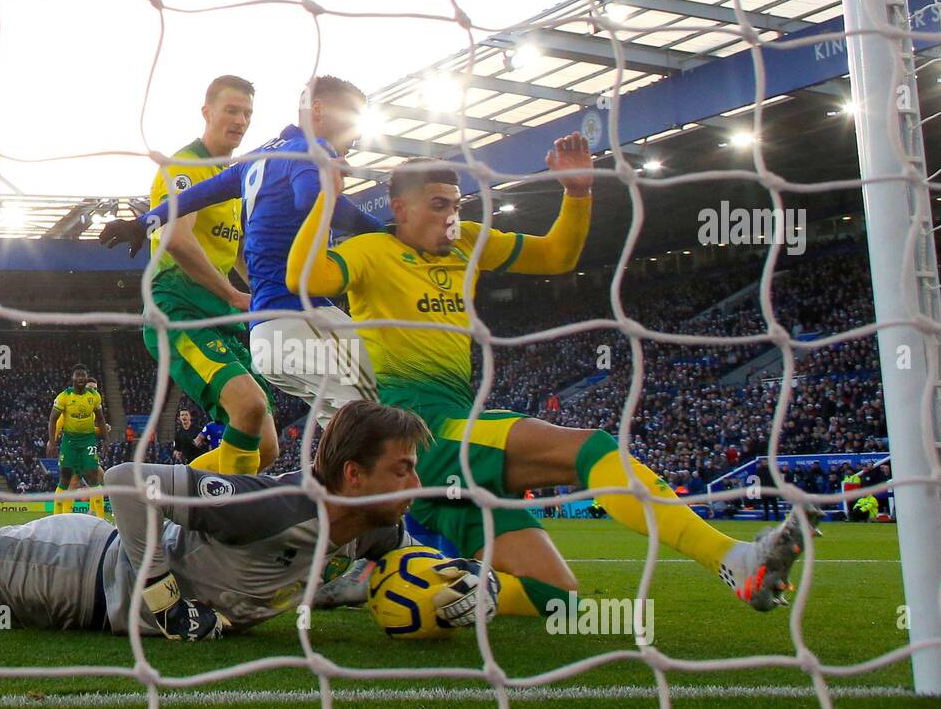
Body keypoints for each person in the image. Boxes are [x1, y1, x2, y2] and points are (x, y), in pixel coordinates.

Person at [286, 149, 822, 614]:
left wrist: (578, 193)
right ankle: (733, 559)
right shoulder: (370, 253)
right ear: (399, 209)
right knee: (590, 448)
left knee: (557, 597)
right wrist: (323, 199)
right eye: (438, 205)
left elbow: (557, 255)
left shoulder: (468, 241)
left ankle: (387, 583)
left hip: (458, 433)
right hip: (423, 432)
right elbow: (301, 279)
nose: (452, 218)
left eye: (456, 205)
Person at [0, 350, 493, 639]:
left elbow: (398, 570)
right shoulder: (286, 507)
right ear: (352, 476)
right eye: (402, 472)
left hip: (82, 572)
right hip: (79, 576)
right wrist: (153, 582)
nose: (414, 488)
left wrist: (474, 591)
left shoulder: (371, 533)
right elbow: (127, 481)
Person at [102, 75, 383, 426]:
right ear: (319, 110)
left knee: (272, 436)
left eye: (246, 113)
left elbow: (209, 214)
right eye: (231, 110)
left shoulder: (257, 159)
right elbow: (311, 200)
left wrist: (144, 222)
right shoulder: (307, 154)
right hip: (262, 315)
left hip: (261, 327)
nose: (355, 133)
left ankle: (325, 478)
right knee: (381, 401)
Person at [139, 74, 279, 475]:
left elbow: (240, 254)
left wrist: (273, 295)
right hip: (176, 307)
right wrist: (235, 296)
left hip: (214, 313)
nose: (240, 120)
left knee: (265, 447)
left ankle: (178, 501)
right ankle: (171, 509)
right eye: (231, 110)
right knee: (248, 405)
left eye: (247, 114)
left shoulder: (232, 178)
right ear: (207, 112)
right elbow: (177, 240)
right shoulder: (186, 166)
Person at [46, 365, 110, 519]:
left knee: (95, 476)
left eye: (96, 387)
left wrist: (104, 436)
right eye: (92, 387)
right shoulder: (65, 397)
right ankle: (62, 517)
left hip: (87, 441)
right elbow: (57, 421)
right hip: (71, 442)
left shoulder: (94, 398)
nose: (94, 389)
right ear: (73, 378)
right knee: (70, 480)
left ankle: (96, 515)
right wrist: (52, 441)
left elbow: (99, 420)